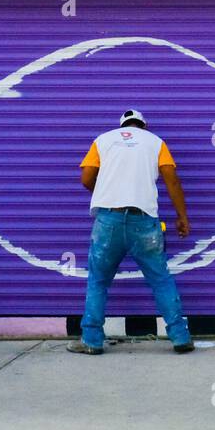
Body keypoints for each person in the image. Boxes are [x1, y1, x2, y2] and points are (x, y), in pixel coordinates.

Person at [67, 108, 194, 355]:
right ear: (143, 126)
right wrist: (182, 217)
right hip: (144, 221)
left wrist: (106, 191)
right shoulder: (155, 142)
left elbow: (85, 178)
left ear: (122, 125)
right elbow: (172, 179)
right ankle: (180, 337)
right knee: (161, 280)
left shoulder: (103, 140)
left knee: (98, 281)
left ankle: (91, 341)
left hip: (108, 220)